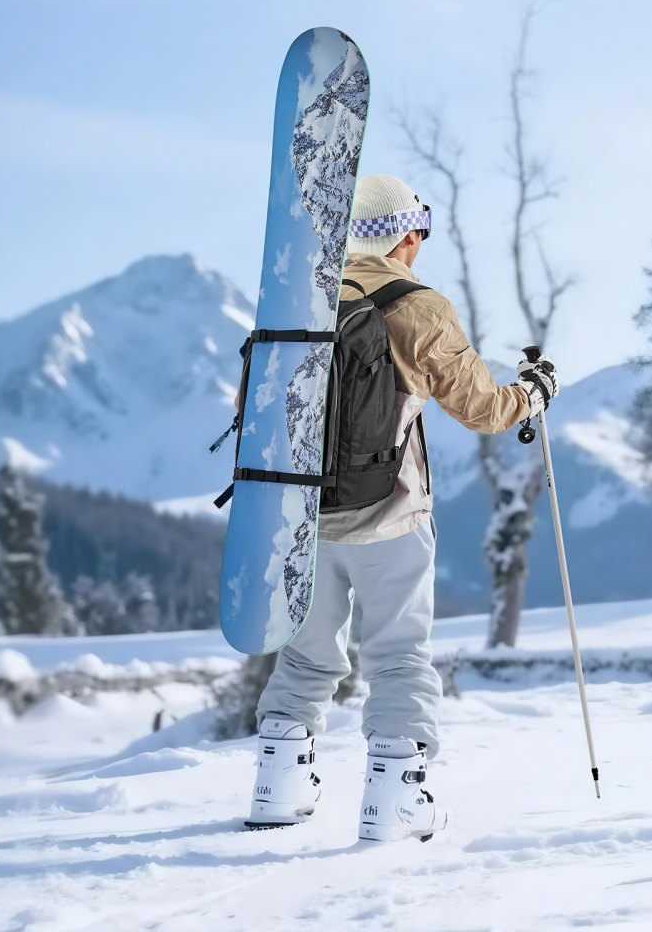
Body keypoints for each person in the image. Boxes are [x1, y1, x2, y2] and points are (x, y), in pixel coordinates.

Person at [248, 174, 560, 841]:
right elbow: (484, 409)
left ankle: (277, 786)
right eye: (416, 235)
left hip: (298, 515)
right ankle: (394, 803)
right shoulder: (419, 307)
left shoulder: (301, 295)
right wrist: (534, 393)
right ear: (405, 236)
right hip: (389, 514)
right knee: (396, 654)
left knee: (305, 654)